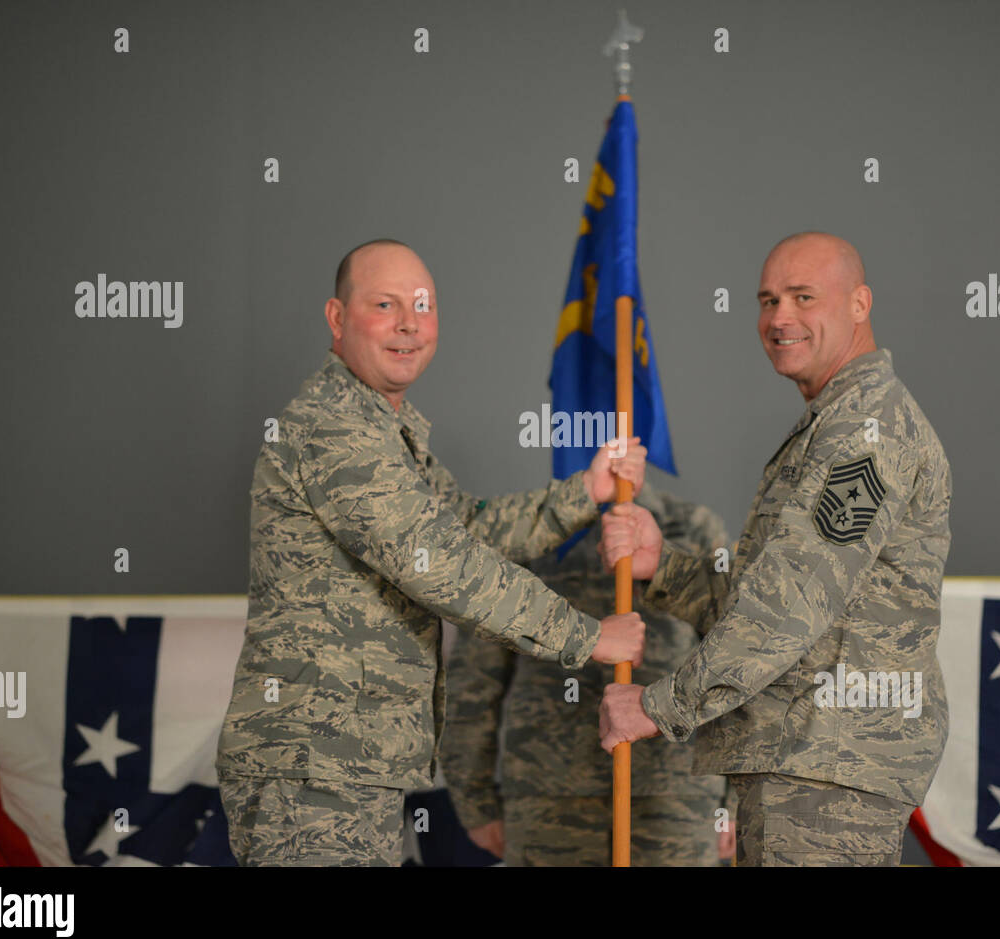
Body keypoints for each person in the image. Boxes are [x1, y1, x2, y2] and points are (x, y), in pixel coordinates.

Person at [217, 239, 648, 866]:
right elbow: (445, 567)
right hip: (311, 767)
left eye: (422, 305)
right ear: (337, 319)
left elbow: (465, 530)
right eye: (384, 304)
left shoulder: (385, 430)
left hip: (347, 763)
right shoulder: (334, 428)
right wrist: (587, 637)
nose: (409, 324)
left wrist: (586, 492)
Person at [598, 232, 952, 866]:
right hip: (800, 759)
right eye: (767, 300)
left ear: (860, 303)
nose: (779, 317)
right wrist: (665, 569)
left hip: (827, 768)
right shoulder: (832, 421)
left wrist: (658, 705)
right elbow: (769, 596)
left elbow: (790, 607)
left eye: (803, 297)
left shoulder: (867, 429)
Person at [441, 484, 735, 866]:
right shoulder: (529, 527)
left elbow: (733, 657)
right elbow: (473, 681)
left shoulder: (692, 527)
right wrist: (474, 802)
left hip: (676, 796)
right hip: (548, 793)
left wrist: (733, 799)